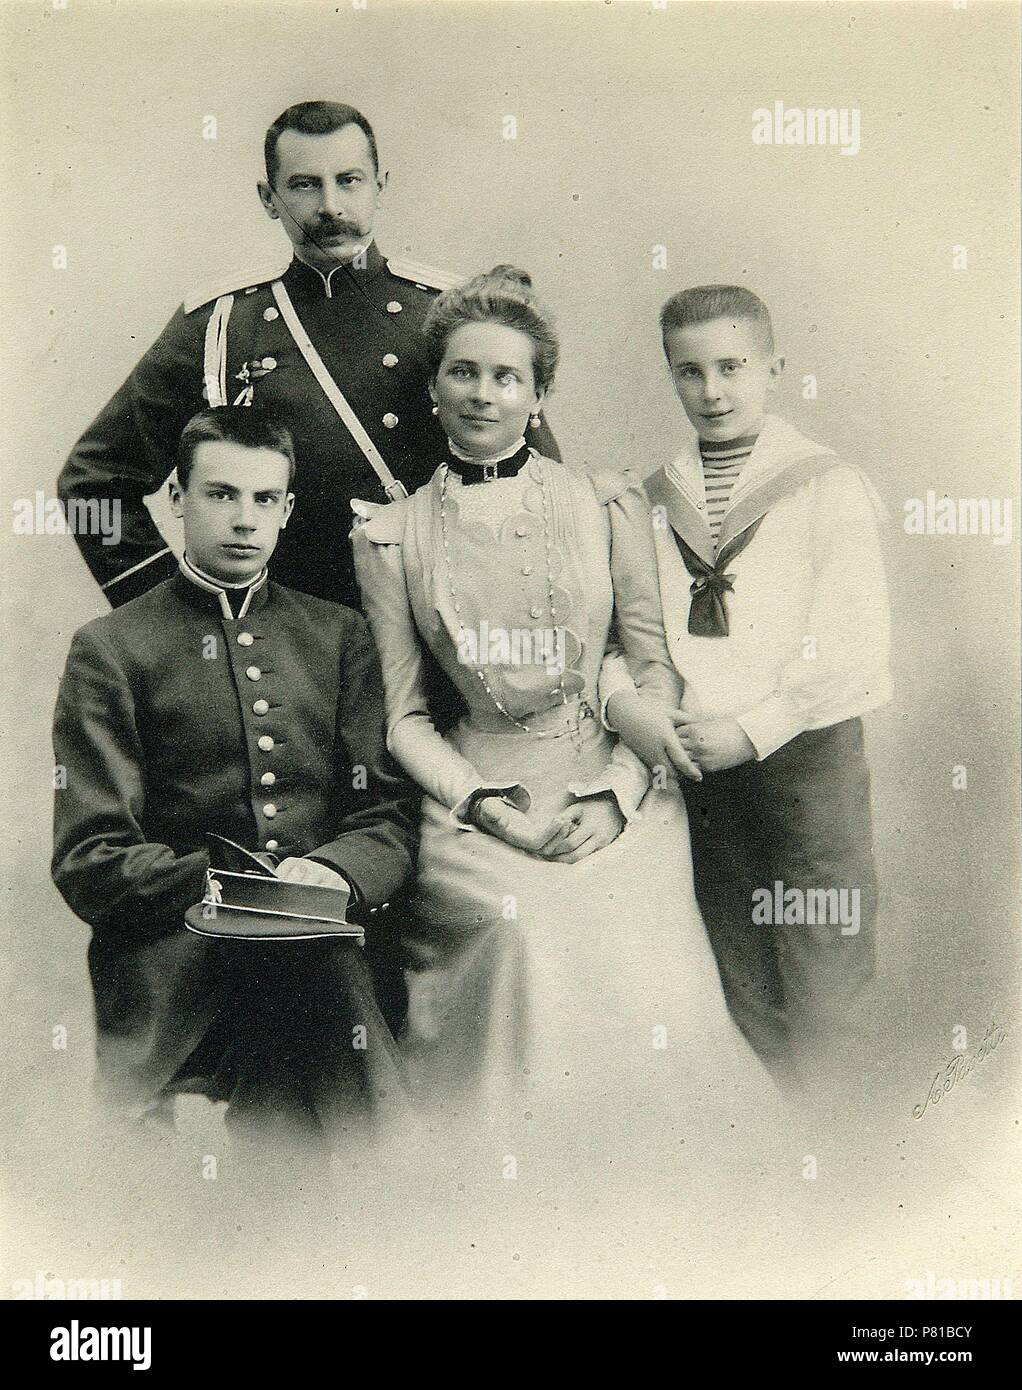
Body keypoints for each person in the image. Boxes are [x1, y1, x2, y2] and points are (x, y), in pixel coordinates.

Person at [351, 266, 767, 1148]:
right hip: (477, 795)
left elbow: (652, 674)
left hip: (614, 779)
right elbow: (405, 720)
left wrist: (617, 794)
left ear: (539, 393)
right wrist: (486, 809)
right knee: (520, 932)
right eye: (463, 372)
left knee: (623, 932)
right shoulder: (393, 536)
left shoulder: (604, 503)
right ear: (432, 388)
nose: (483, 394)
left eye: (508, 376)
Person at [51, 407, 419, 1150]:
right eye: (220, 495)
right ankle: (402, 1199)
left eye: (262, 500)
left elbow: (385, 816)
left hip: (323, 942)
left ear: (286, 511)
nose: (243, 519)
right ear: (177, 499)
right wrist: (237, 887)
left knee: (319, 972)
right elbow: (90, 859)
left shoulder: (339, 635)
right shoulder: (111, 650)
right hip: (176, 962)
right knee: (322, 987)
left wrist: (335, 875)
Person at [56, 100, 558, 611]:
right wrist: (179, 615)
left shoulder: (450, 315)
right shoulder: (222, 326)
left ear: (380, 185)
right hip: (298, 651)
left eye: (349, 180)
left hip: (448, 631)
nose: (330, 206)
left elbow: (540, 479)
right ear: (268, 198)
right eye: (304, 185)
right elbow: (93, 484)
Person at [609, 284, 892, 1094]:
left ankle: (840, 1154)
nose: (714, 391)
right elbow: (637, 631)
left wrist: (758, 727)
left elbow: (852, 645)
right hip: (703, 766)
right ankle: (781, 1161)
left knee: (824, 961)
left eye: (732, 367)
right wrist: (661, 717)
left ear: (773, 367)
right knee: (736, 965)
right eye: (689, 372)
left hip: (806, 759)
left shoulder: (823, 485)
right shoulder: (655, 497)